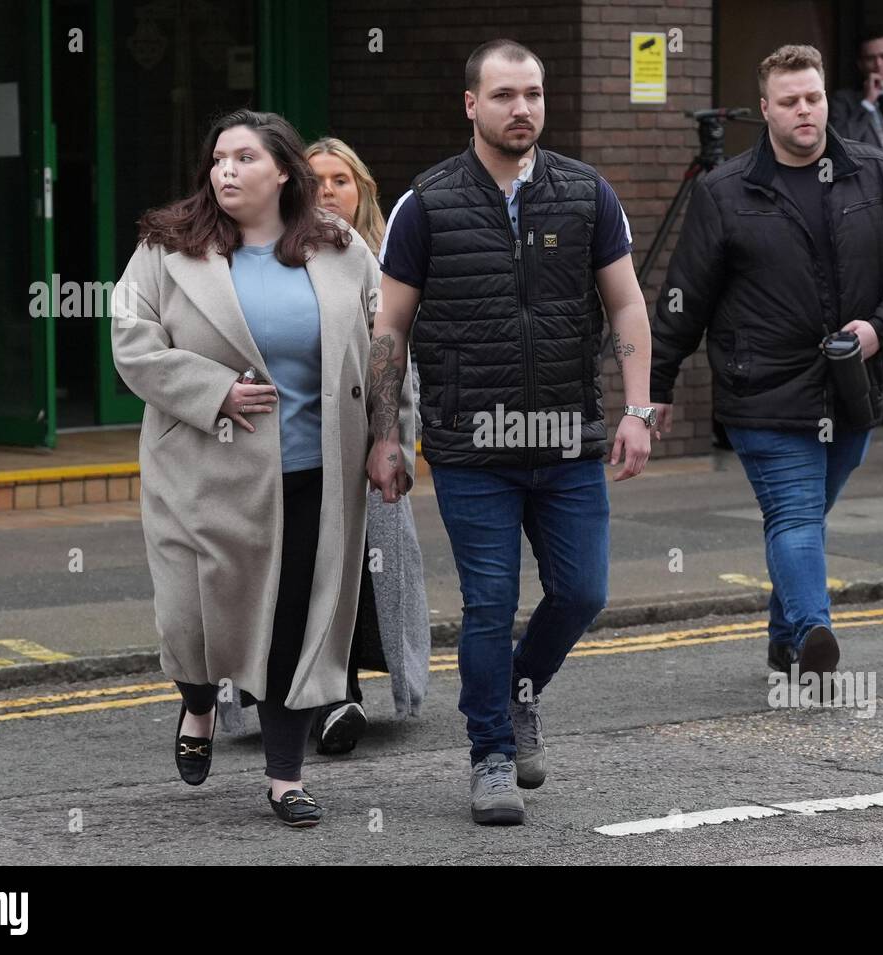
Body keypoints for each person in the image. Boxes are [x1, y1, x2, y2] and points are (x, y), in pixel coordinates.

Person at [367, 39, 653, 826]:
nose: (520, 107)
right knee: (489, 603)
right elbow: (389, 327)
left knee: (584, 591)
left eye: (532, 93)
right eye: (502, 95)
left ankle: (518, 690)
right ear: (471, 104)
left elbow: (626, 306)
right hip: (472, 447)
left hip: (568, 439)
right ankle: (490, 751)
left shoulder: (588, 193)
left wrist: (636, 409)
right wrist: (385, 434)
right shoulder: (424, 204)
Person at [111, 109, 415, 827]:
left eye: (244, 158)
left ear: (283, 171)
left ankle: (286, 776)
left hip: (314, 473)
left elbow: (385, 345)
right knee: (192, 617)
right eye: (218, 159)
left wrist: (387, 436)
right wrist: (211, 388)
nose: (226, 171)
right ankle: (196, 702)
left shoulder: (341, 248)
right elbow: (132, 341)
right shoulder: (167, 247)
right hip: (199, 470)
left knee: (294, 624)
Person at [650, 45, 883, 679]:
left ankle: (784, 639)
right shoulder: (725, 193)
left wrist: (878, 328)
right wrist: (655, 388)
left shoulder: (879, 174)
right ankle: (814, 633)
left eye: (814, 98)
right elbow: (683, 297)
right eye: (789, 102)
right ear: (765, 109)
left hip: (852, 388)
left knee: (803, 517)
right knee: (795, 512)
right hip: (763, 392)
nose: (805, 111)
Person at [215, 137, 434, 753]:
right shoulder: (269, 255)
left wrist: (394, 443)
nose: (329, 190)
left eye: (342, 179)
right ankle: (296, 699)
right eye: (317, 179)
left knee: (351, 579)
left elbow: (396, 361)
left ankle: (339, 697)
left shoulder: (380, 256)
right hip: (279, 453)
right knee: (284, 578)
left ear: (361, 188)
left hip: (357, 452)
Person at [830, 27, 883, 425]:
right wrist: (867, 103)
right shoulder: (847, 103)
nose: (878, 65)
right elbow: (842, 147)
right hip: (863, 213)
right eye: (870, 59)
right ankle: (866, 393)